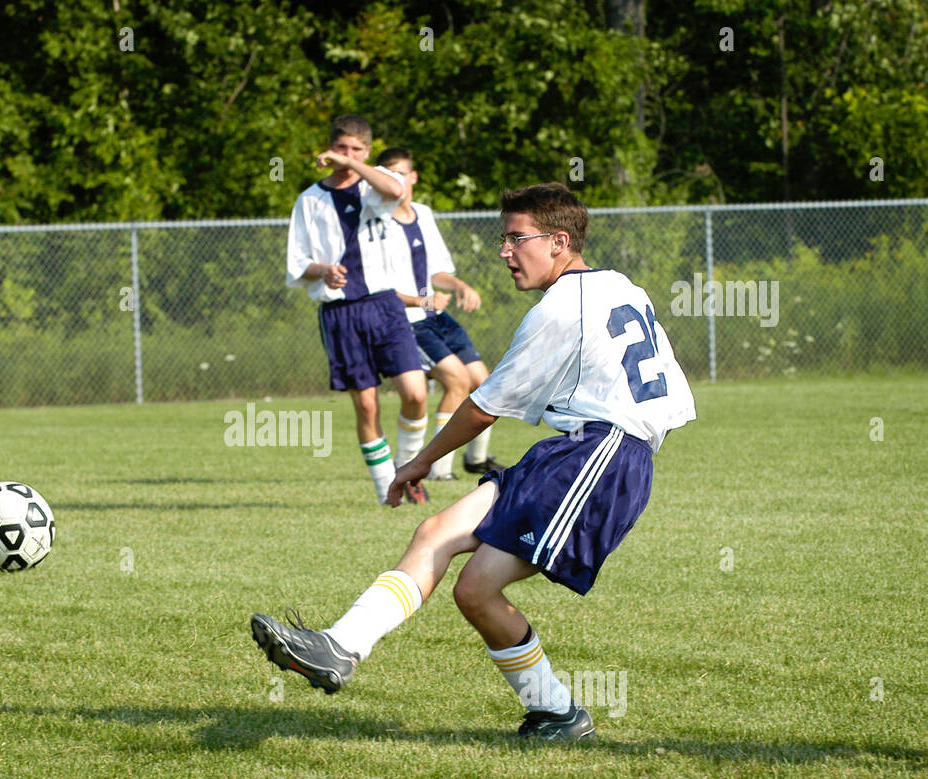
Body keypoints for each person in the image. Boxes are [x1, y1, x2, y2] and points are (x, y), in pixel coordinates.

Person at [253, 182, 696, 741]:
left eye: (517, 239)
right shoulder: (620, 285)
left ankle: (555, 711)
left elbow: (483, 408)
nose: (505, 252)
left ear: (559, 241)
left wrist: (417, 461)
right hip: (576, 450)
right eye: (503, 239)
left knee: (474, 581)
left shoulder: (559, 308)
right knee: (445, 545)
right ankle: (342, 647)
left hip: (601, 455)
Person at [286, 115, 431, 504]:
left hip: (386, 304)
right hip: (341, 312)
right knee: (366, 405)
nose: (348, 156)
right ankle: (388, 491)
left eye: (357, 150)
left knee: (416, 393)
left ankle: (407, 470)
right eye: (342, 149)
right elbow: (298, 262)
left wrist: (353, 166)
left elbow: (396, 188)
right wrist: (324, 271)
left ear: (367, 152)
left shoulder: (374, 185)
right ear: (330, 147)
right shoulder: (310, 200)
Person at [376, 147, 502, 481]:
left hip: (436, 317)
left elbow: (437, 273)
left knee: (484, 382)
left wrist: (459, 286)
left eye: (401, 172)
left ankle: (476, 460)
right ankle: (437, 471)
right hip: (408, 322)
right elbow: (378, 288)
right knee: (457, 381)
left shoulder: (423, 214)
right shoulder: (377, 225)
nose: (396, 180)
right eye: (389, 174)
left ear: (413, 176)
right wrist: (419, 302)